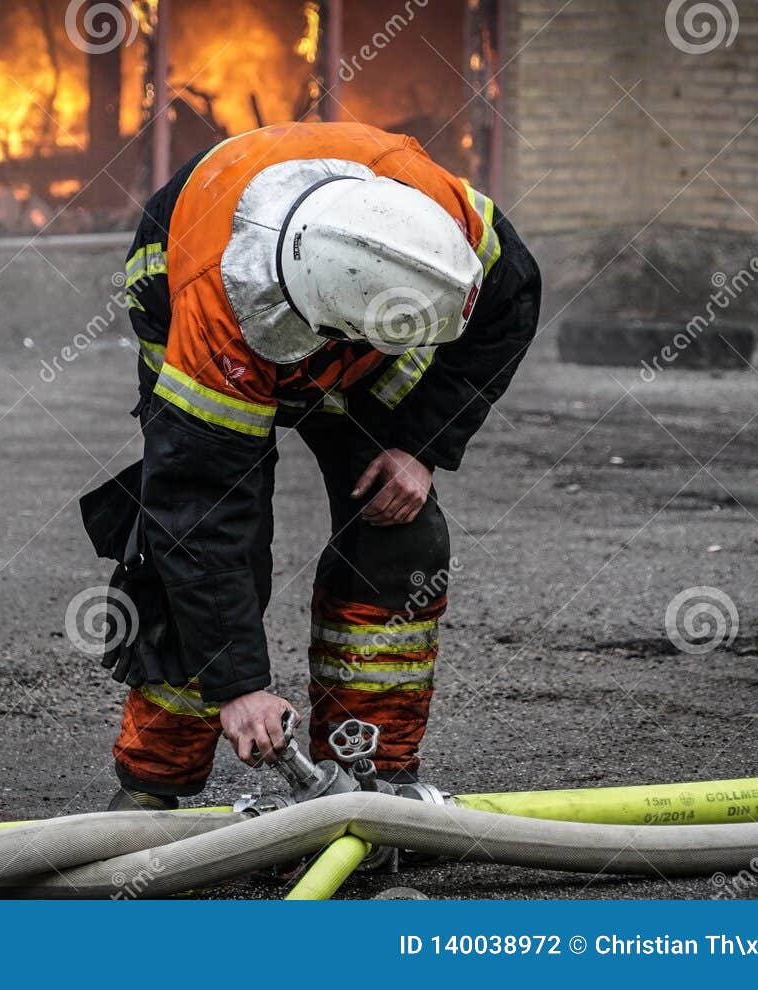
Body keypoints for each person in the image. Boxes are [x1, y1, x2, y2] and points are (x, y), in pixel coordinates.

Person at [77, 121, 541, 810]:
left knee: (403, 533)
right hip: (198, 298)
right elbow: (199, 510)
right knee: (199, 552)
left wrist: (421, 446)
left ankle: (372, 774)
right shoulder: (214, 314)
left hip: (367, 323)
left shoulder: (446, 227)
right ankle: (154, 783)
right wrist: (236, 684)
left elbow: (513, 301)